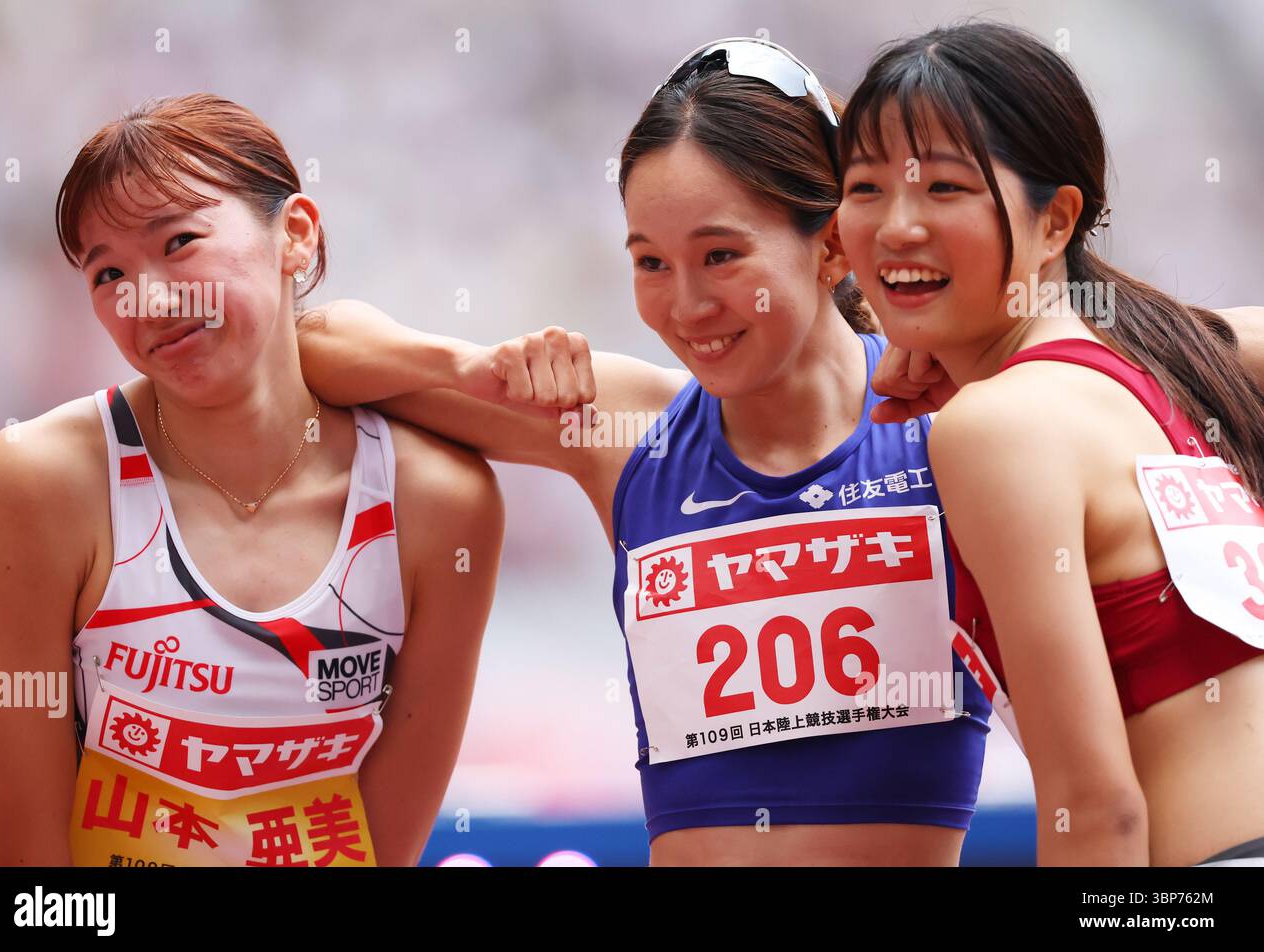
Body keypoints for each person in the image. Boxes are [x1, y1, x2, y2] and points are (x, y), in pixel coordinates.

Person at [296, 38, 992, 866]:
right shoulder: (631, 431)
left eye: (721, 255)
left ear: (835, 245)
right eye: (651, 262)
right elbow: (312, 350)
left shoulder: (960, 428)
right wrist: (468, 367)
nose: (687, 304)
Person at [0, 93, 504, 867]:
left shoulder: (442, 502)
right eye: (107, 272)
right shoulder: (43, 480)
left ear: (296, 235)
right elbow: (28, 882)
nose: (143, 300)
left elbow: (383, 851)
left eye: (179, 241)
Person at [834, 20, 1264, 866]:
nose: (897, 227)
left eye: (946, 189)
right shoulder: (1154, 367)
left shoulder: (998, 425)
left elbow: (1095, 808)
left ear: (1057, 217)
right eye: (866, 188)